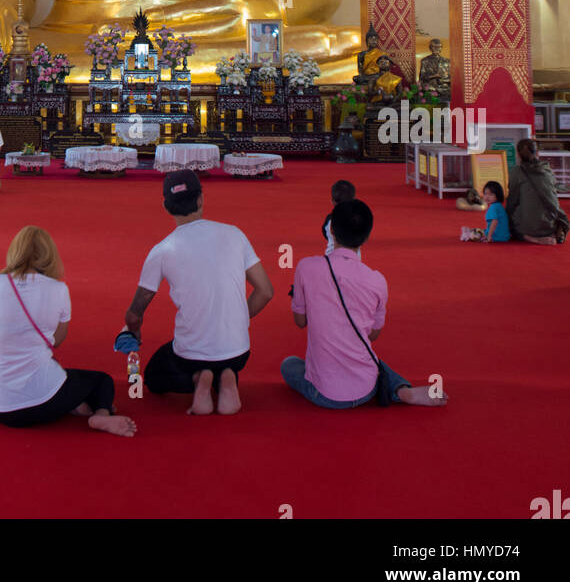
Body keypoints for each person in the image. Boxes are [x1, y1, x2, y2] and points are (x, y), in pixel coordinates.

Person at [122, 169, 273, 415]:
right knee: (224, 358)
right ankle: (226, 375)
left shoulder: (161, 251)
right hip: (239, 352)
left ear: (166, 206)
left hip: (190, 355)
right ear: (201, 199)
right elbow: (265, 291)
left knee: (153, 377)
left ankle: (198, 378)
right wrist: (238, 319)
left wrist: (133, 333)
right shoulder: (235, 234)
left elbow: (134, 314)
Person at [282, 200, 448, 409]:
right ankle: (400, 390)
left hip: (324, 393)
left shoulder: (306, 267)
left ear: (331, 230)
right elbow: (372, 335)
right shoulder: (377, 280)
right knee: (364, 352)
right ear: (367, 236)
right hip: (366, 387)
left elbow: (300, 321)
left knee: (288, 364)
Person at [0, 225, 135, 437]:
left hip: (0, 409)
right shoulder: (58, 289)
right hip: (45, 401)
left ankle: (74, 403)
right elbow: (57, 340)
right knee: (101, 381)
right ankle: (101, 413)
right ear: (49, 255)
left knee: (60, 374)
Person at [507, 139, 569, 245]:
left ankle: (532, 239)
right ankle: (556, 232)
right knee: (560, 215)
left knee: (509, 223)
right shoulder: (547, 169)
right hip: (550, 225)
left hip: (527, 229)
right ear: (537, 152)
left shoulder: (516, 172)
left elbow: (512, 202)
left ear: (518, 154)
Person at [323, 179, 357, 256]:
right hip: (354, 258)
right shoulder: (358, 218)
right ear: (354, 199)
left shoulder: (329, 220)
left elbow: (325, 233)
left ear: (332, 201)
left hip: (331, 258)